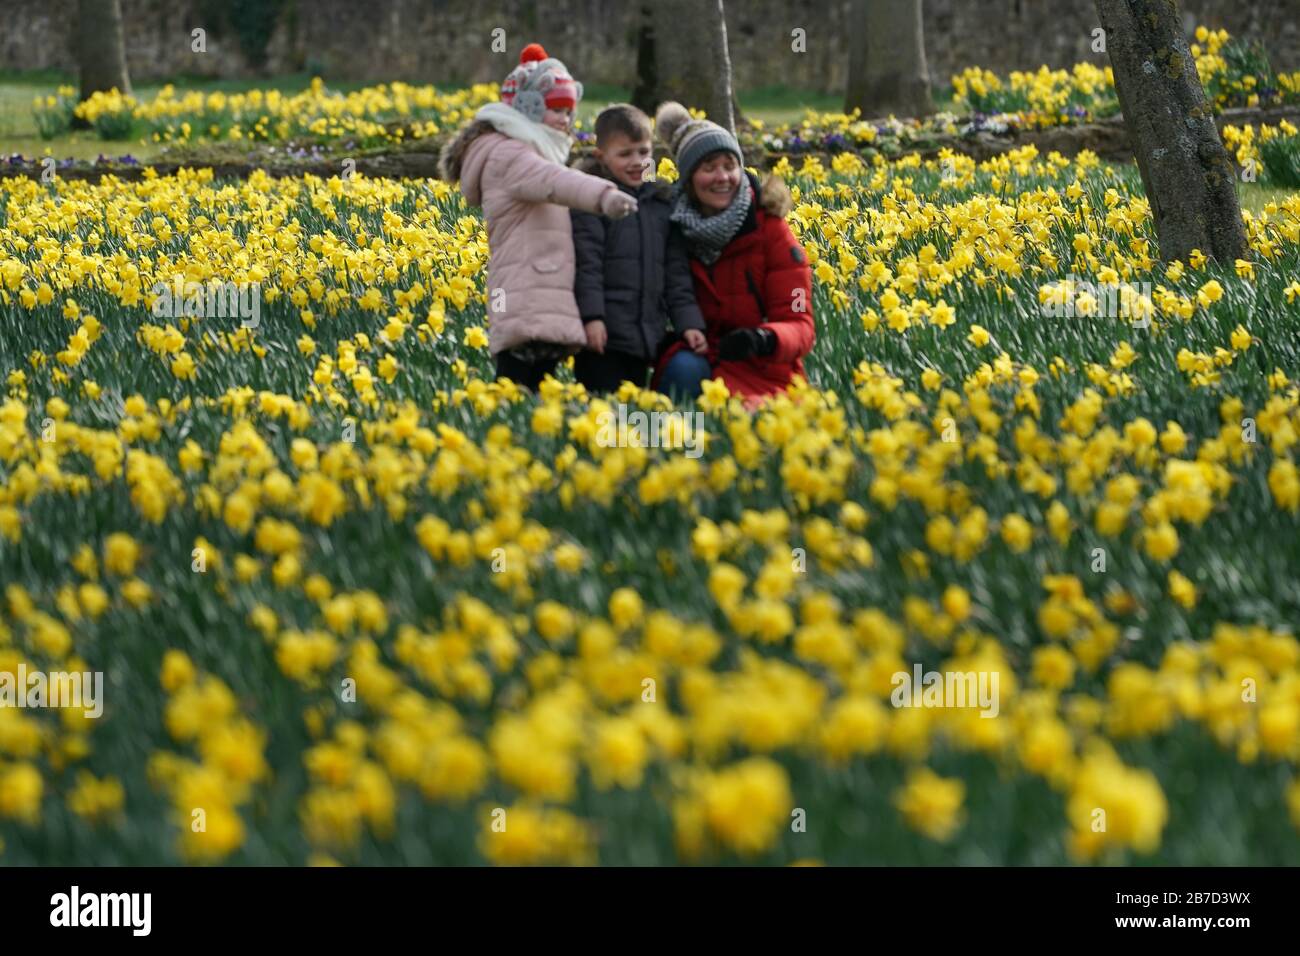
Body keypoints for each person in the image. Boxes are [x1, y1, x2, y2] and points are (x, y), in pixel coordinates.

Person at [438, 43, 638, 391]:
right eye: (557, 109)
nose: (565, 120)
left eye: (569, 112)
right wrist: (603, 195)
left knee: (531, 383)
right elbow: (554, 182)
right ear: (527, 108)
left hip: (535, 286)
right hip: (527, 289)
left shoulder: (521, 150)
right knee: (517, 383)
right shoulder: (510, 155)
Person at [651, 101, 814, 404]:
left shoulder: (771, 230)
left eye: (729, 166)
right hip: (705, 355)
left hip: (763, 365)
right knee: (681, 368)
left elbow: (800, 323)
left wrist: (765, 338)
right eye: (708, 168)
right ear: (688, 179)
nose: (722, 177)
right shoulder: (673, 229)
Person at [570, 104, 707, 394]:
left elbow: (676, 273)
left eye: (643, 152)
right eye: (624, 154)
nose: (637, 162)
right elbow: (587, 266)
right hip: (602, 337)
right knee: (603, 416)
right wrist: (592, 318)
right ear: (601, 156)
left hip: (646, 336)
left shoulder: (661, 203)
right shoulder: (591, 202)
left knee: (633, 415)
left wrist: (689, 324)